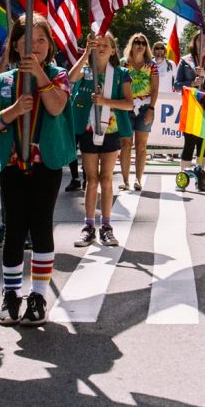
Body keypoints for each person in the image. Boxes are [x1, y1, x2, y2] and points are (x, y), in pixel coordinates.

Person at [0, 16, 76, 327]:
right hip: (12, 164)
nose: (34, 46)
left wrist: (38, 74)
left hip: (45, 163)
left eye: (40, 40)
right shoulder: (5, 80)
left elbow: (56, 106)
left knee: (41, 227)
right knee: (14, 228)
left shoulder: (57, 74)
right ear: (16, 44)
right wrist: (13, 111)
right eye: (27, 40)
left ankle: (37, 295)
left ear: (49, 46)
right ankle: (10, 294)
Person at [71, 30, 131, 248]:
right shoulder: (86, 71)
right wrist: (86, 52)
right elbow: (70, 78)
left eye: (106, 45)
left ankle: (106, 226)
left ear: (114, 50)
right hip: (88, 131)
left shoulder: (121, 73)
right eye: (98, 44)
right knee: (91, 179)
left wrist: (105, 101)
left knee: (106, 179)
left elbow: (129, 103)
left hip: (110, 131)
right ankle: (88, 226)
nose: (102, 48)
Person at [174, 28, 205, 191]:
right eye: (199, 40)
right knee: (189, 142)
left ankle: (200, 177)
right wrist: (191, 84)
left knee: (202, 143)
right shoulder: (185, 60)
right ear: (194, 42)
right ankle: (183, 177)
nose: (202, 43)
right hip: (191, 105)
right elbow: (176, 85)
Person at [122, 32, 159, 193]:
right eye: (137, 42)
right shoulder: (123, 64)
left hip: (145, 109)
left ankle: (138, 179)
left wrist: (151, 108)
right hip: (127, 107)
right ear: (132, 44)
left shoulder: (152, 65)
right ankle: (125, 181)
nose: (140, 45)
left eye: (143, 43)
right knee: (125, 144)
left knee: (141, 146)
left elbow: (155, 89)